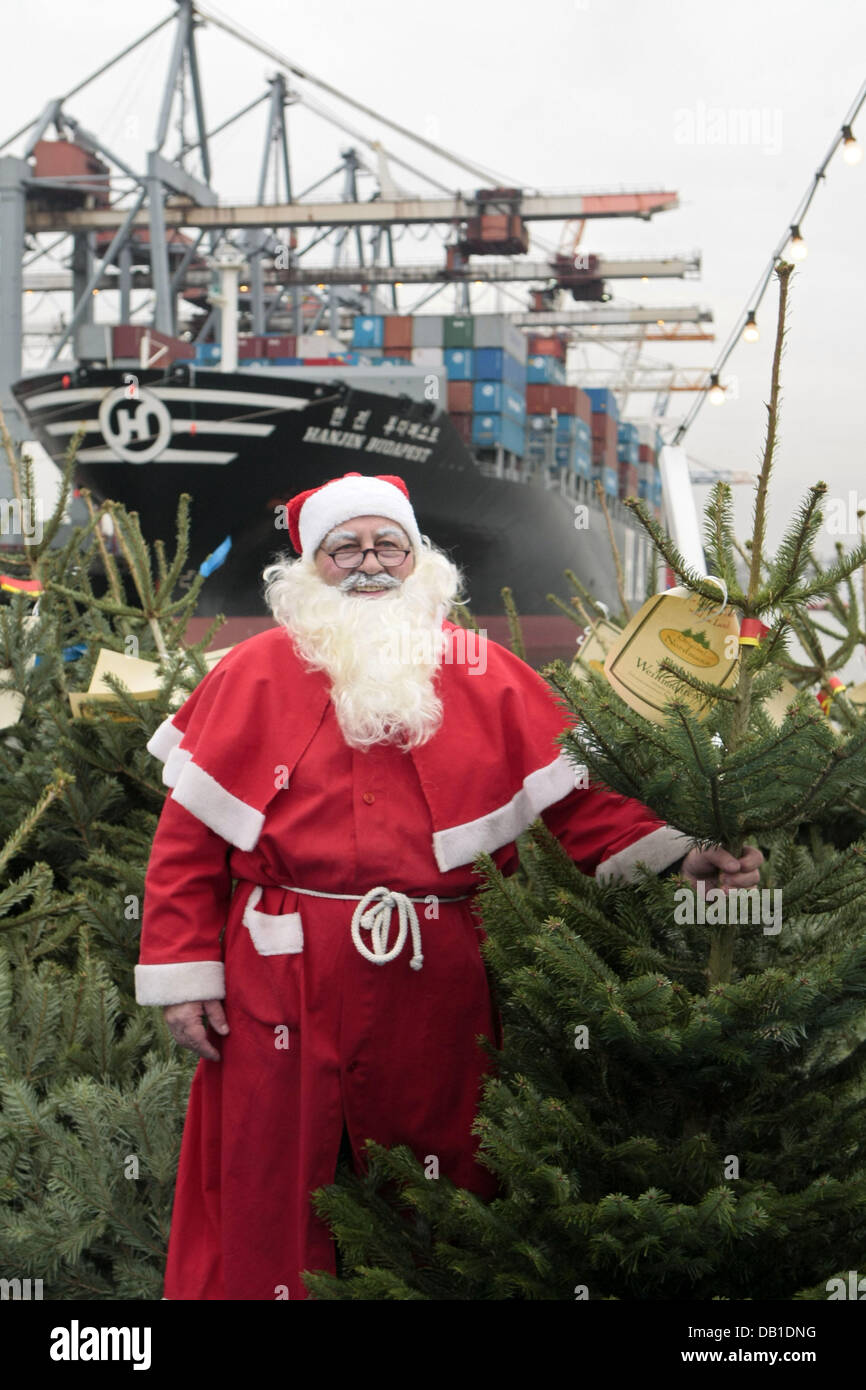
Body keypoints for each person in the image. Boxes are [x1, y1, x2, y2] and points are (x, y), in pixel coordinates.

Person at [136, 470, 763, 1300]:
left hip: (437, 975)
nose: (369, 565)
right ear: (307, 567)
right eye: (345, 548)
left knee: (446, 1175)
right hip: (280, 973)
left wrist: (683, 855)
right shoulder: (249, 673)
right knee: (269, 1173)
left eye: (387, 545)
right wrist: (185, 979)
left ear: (417, 558)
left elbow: (580, 807)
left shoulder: (488, 673)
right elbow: (186, 845)